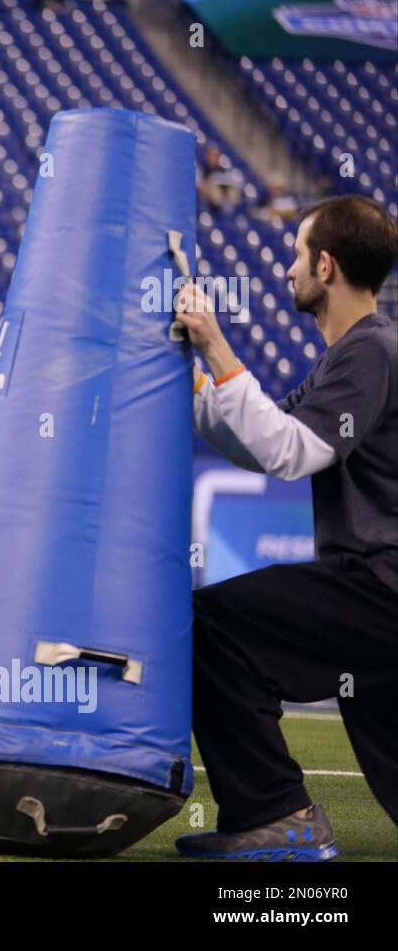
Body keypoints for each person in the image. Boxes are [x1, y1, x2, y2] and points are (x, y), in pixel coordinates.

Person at [173, 194, 398, 859]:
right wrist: (184, 377)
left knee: (211, 624)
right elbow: (259, 433)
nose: (286, 268)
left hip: (378, 585)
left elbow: (288, 454)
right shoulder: (355, 355)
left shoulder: (373, 351)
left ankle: (278, 813)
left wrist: (216, 342)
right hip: (377, 590)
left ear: (325, 266)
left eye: (297, 254)